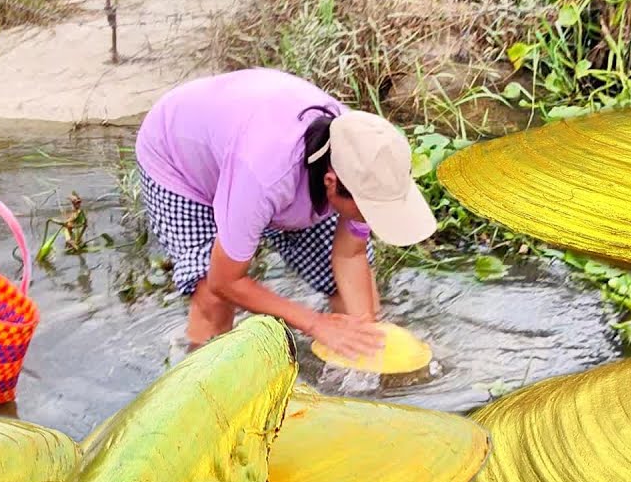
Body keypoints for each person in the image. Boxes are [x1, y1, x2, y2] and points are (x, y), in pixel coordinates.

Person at [134, 68, 438, 357]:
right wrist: (314, 323)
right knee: (213, 300)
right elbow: (224, 281)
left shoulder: (363, 152)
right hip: (180, 161)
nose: (373, 219)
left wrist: (365, 338)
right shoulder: (265, 176)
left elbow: (350, 255)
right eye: (370, 210)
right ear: (331, 184)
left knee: (358, 307)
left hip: (256, 156)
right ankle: (202, 391)